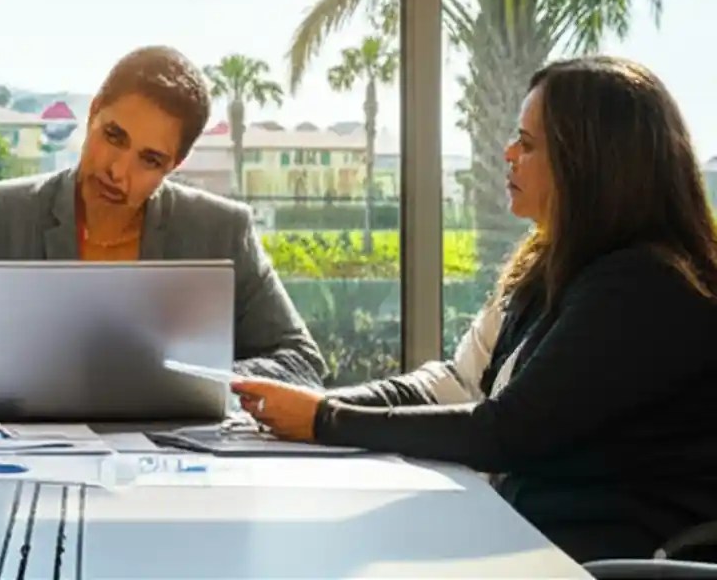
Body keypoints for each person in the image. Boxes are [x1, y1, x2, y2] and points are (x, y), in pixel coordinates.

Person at [232, 56, 717, 562]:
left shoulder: (644, 287)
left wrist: (324, 419)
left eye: (527, 144)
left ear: (589, 164)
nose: (508, 153)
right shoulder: (549, 266)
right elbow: (460, 383)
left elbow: (503, 432)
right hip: (523, 539)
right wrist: (314, 405)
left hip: (594, 562)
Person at [0, 45, 327, 397]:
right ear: (93, 113)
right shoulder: (1, 212)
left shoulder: (221, 230)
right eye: (114, 136)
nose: (118, 171)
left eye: (150, 159)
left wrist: (203, 381)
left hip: (168, 467)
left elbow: (302, 362)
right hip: (13, 460)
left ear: (175, 165)